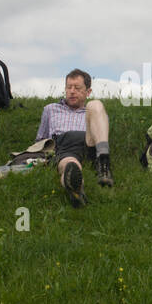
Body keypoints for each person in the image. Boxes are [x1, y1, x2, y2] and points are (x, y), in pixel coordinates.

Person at [35, 69, 114, 207]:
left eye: (77, 88)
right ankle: (76, 189)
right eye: (68, 87)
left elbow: (101, 134)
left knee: (96, 104)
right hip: (63, 146)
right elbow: (40, 140)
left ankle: (103, 163)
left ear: (88, 92)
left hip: (89, 143)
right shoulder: (50, 109)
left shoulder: (96, 113)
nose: (72, 91)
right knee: (70, 164)